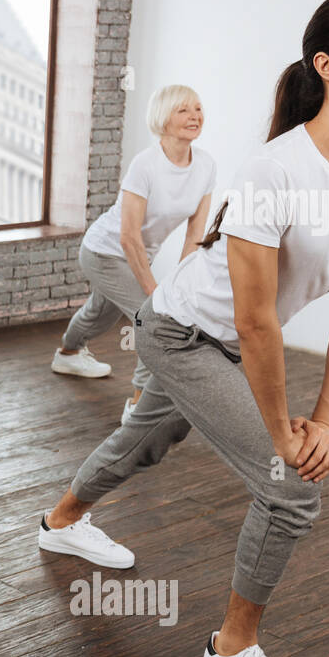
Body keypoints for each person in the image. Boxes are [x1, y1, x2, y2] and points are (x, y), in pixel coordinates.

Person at [37, 0, 329, 657]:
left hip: (225, 342)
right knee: (290, 488)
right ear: (328, 66)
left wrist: (328, 419)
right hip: (178, 330)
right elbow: (255, 320)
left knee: (146, 440)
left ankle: (60, 521)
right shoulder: (274, 172)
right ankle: (231, 651)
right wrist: (285, 435)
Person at [52, 85, 215, 425]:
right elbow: (128, 236)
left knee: (100, 313)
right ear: (163, 118)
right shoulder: (146, 164)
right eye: (183, 110)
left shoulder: (206, 166)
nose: (194, 116)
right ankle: (139, 403)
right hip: (103, 251)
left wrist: (180, 286)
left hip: (139, 255)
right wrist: (157, 295)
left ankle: (67, 353)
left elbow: (195, 234)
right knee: (151, 319)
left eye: (198, 108)